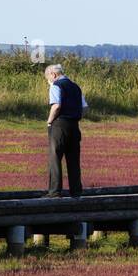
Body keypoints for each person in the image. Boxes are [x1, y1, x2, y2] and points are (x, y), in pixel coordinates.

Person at [43, 64, 87, 197]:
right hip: (74, 125)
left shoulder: (56, 85)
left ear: (53, 74)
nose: (49, 81)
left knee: (55, 158)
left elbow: (56, 106)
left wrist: (49, 121)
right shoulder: (76, 87)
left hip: (59, 125)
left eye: (48, 78)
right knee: (73, 159)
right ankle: (76, 191)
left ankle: (55, 191)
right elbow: (84, 108)